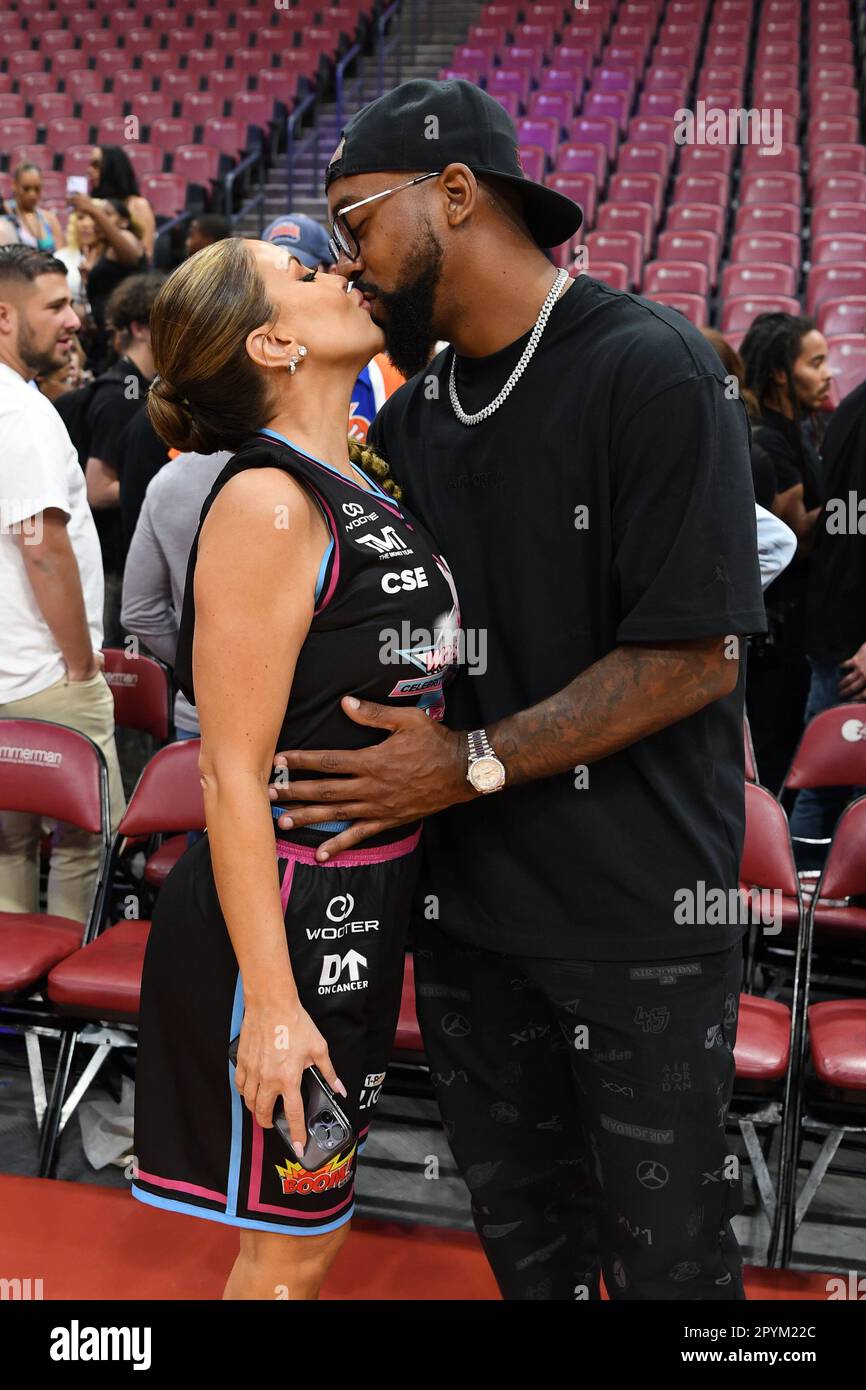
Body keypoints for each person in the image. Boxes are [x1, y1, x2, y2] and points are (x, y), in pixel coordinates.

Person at [269, 78, 768, 1302]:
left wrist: (467, 761)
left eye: (355, 220)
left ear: (453, 195)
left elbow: (694, 653)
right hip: (469, 922)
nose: (350, 261)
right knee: (525, 1251)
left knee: (670, 1270)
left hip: (635, 920)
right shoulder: (427, 410)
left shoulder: (648, 369)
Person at [130, 236, 461, 1302]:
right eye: (307, 276)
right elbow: (226, 774)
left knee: (311, 1236)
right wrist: (271, 1003)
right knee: (288, 1252)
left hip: (356, 901)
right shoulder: (266, 504)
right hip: (276, 917)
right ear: (272, 341)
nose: (340, 275)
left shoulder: (349, 476)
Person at [0, 246, 125, 922]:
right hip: (47, 678)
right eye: (54, 307)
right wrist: (82, 669)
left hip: (10, 672)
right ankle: (73, 1009)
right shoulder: (19, 413)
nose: (74, 320)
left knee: (10, 851)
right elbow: (42, 549)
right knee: (83, 845)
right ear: (3, 318)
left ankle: (22, 1018)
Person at [740, 313, 833, 792]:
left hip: (798, 629)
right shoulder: (769, 440)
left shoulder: (801, 431)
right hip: (776, 637)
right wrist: (849, 500)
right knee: (776, 763)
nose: (828, 373)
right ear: (780, 371)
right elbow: (796, 535)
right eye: (815, 363)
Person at [55, 272, 164, 648]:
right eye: (165, 320)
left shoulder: (142, 389)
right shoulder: (121, 396)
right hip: (114, 566)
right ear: (139, 327)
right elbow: (97, 488)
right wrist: (165, 487)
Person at [790, 377, 866, 842]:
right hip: (853, 642)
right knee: (838, 788)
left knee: (824, 787)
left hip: (835, 627)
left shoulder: (852, 405)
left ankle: (798, 911)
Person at [121, 444, 232, 739]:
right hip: (299, 718)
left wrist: (200, 669)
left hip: (200, 713)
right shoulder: (303, 469)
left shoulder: (170, 480)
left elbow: (139, 611)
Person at [263, 214, 407, 443]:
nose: (341, 281)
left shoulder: (394, 378)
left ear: (331, 272)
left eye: (307, 275)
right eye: (266, 285)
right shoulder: (255, 401)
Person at [67, 193, 148, 375]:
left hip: (128, 335)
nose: (97, 219)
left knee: (129, 391)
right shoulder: (99, 250)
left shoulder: (127, 238)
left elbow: (131, 257)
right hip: (104, 338)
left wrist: (92, 209)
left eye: (106, 214)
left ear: (124, 222)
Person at [89, 145, 156, 262]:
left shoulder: (138, 205)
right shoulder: (93, 205)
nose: (89, 170)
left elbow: (147, 255)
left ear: (112, 167)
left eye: (96, 165)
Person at [2, 162, 63, 253]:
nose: (32, 195)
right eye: (26, 188)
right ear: (14, 185)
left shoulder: (50, 218)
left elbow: (61, 255)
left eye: (37, 189)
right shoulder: (7, 217)